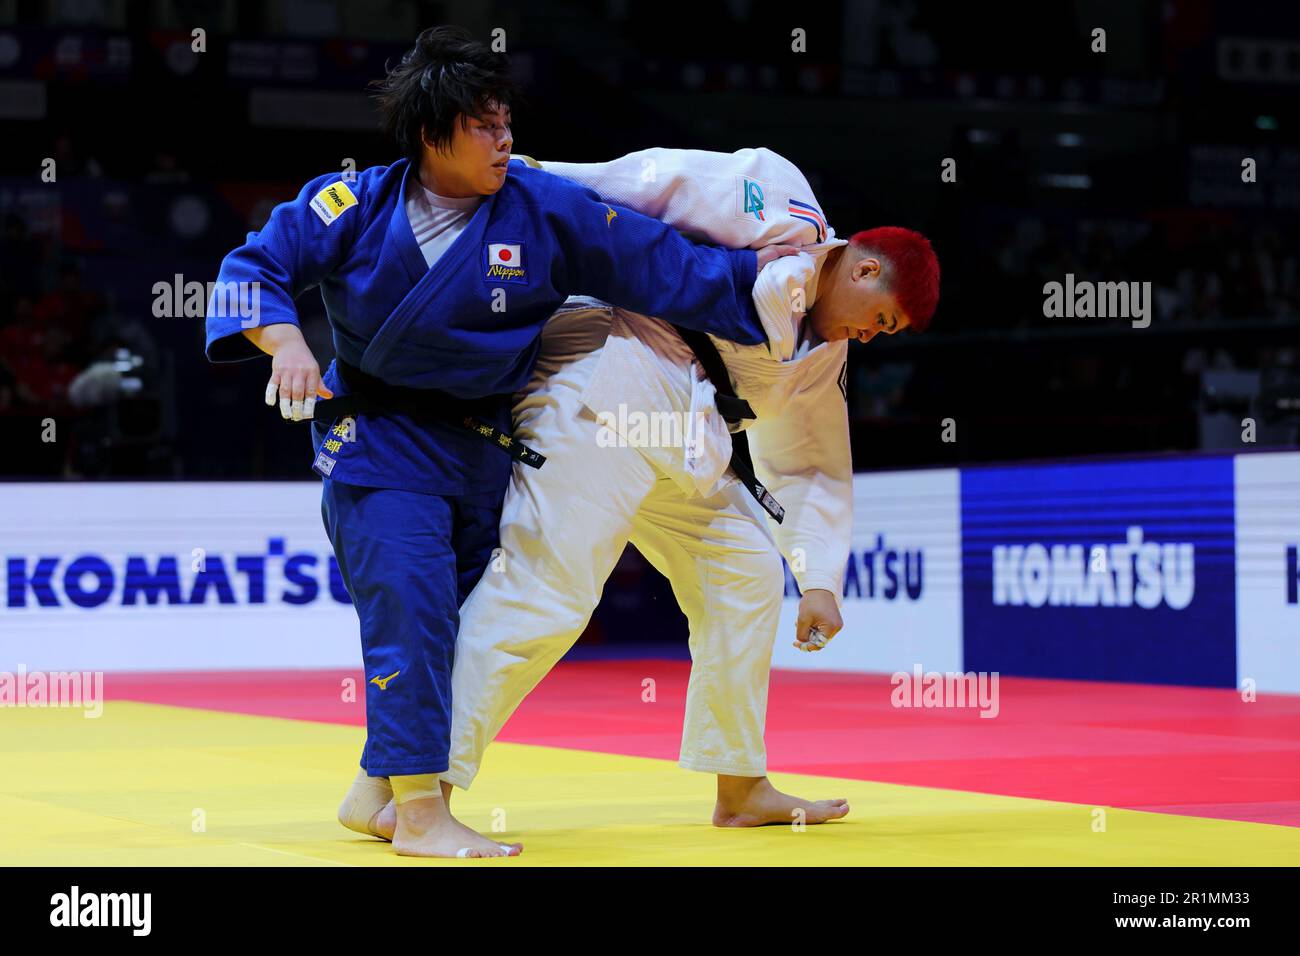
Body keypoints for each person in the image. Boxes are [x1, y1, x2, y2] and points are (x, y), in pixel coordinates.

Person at [204, 32, 790, 858]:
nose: (504, 138)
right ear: (428, 135)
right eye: (482, 125)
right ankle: (418, 815)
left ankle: (373, 792)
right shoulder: (352, 203)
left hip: (481, 448)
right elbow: (253, 265)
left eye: (506, 120)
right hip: (378, 441)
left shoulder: (543, 208)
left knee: (464, 628)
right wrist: (288, 346)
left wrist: (785, 294)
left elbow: (658, 261)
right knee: (409, 611)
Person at [357, 146, 940, 844]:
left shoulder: (822, 356)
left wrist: (818, 579)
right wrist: (545, 177)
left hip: (686, 429)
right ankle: (417, 792)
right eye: (879, 321)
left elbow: (812, 463)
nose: (869, 338)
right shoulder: (784, 205)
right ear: (866, 269)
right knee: (548, 590)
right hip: (614, 366)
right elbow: (656, 182)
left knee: (746, 570)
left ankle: (740, 782)